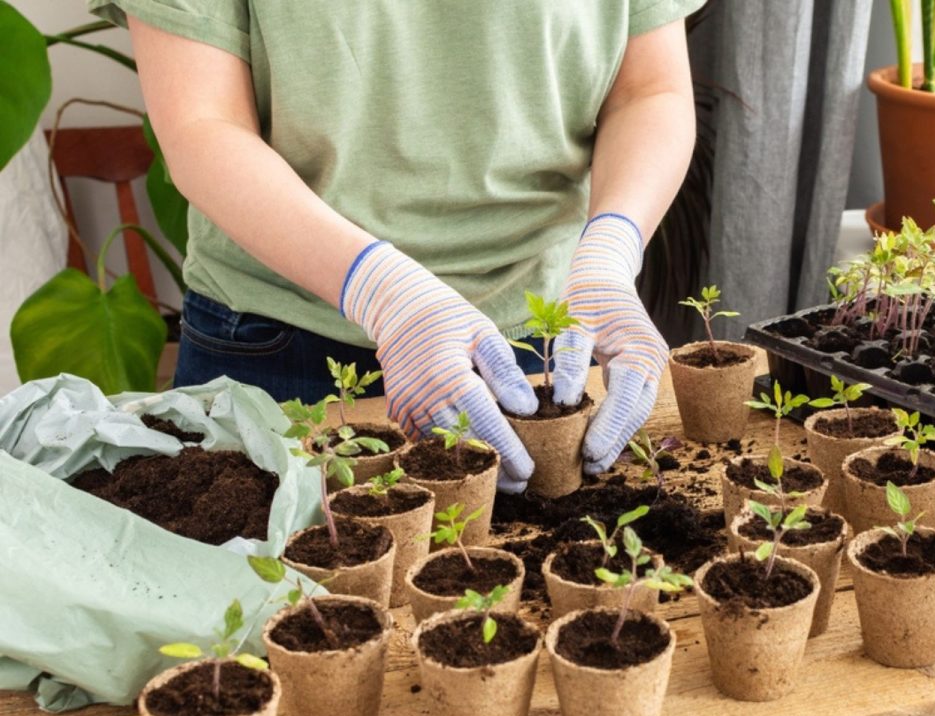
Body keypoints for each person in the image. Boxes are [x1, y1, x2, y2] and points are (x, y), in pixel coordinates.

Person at [89, 0, 701, 493]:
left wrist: (610, 254)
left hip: (543, 340)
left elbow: (647, 90)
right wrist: (386, 293)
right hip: (279, 345)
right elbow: (202, 123)